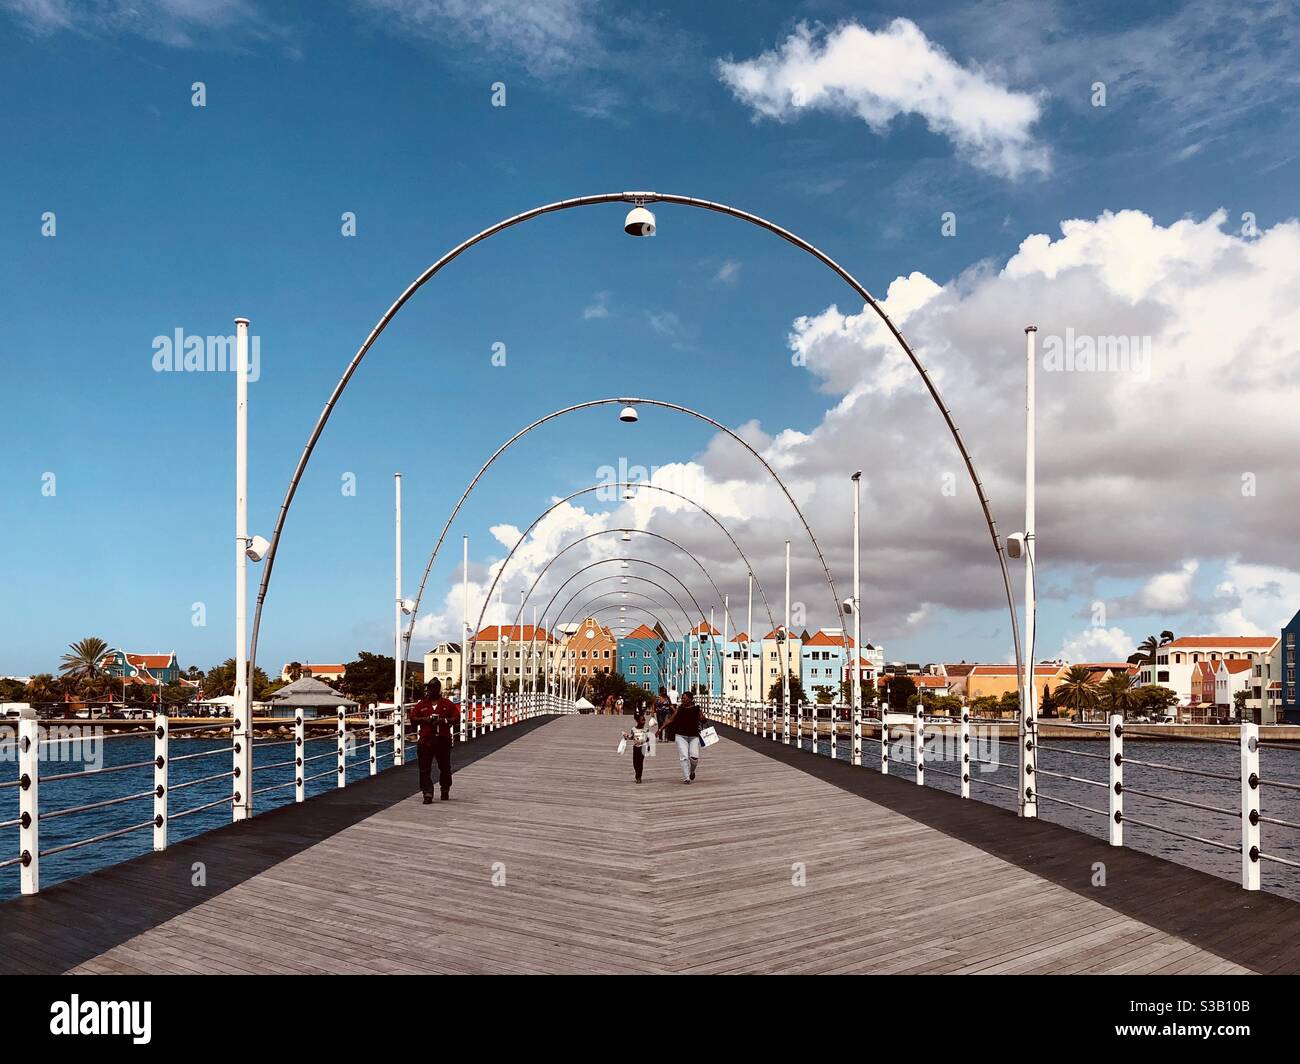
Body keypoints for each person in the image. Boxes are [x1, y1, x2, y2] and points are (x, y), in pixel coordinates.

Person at [409, 679, 461, 803]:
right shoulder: (422, 704)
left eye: (434, 688)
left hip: (442, 740)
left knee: (445, 767)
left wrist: (444, 721)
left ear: (439, 689)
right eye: (429, 689)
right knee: (424, 768)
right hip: (426, 741)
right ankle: (427, 793)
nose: (431, 691)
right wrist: (424, 719)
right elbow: (413, 718)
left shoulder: (447, 704)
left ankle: (445, 788)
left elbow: (456, 717)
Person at [662, 690, 703, 784]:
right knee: (684, 757)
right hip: (681, 735)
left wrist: (702, 718)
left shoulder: (697, 709)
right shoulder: (679, 709)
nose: (682, 700)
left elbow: (702, 718)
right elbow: (671, 720)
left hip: (694, 736)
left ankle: (692, 771)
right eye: (682, 698)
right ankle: (686, 778)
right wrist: (661, 729)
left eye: (684, 698)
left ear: (690, 699)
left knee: (694, 758)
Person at [622, 710, 651, 784]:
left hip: (643, 747)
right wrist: (626, 736)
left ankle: (639, 777)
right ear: (638, 721)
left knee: (640, 762)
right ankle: (637, 774)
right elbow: (632, 737)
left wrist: (649, 746)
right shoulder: (633, 729)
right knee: (635, 763)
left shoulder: (646, 730)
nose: (644, 722)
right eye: (642, 720)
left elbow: (648, 739)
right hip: (636, 747)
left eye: (644, 720)